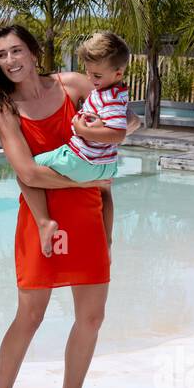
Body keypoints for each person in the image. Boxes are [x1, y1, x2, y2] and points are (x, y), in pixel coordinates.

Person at [0, 24, 125, 388]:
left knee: (92, 316)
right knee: (31, 315)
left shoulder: (75, 85)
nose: (10, 60)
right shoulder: (5, 109)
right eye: (3, 54)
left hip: (89, 215)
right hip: (43, 219)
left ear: (35, 52)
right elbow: (26, 172)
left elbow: (118, 124)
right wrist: (91, 180)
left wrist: (115, 141)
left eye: (17, 49)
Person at [19, 31, 140, 256]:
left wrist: (83, 130)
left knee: (27, 171)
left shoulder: (108, 97)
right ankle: (107, 241)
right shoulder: (114, 91)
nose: (90, 79)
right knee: (105, 191)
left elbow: (118, 133)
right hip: (105, 164)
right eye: (87, 72)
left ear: (118, 72)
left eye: (96, 75)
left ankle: (44, 223)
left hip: (82, 158)